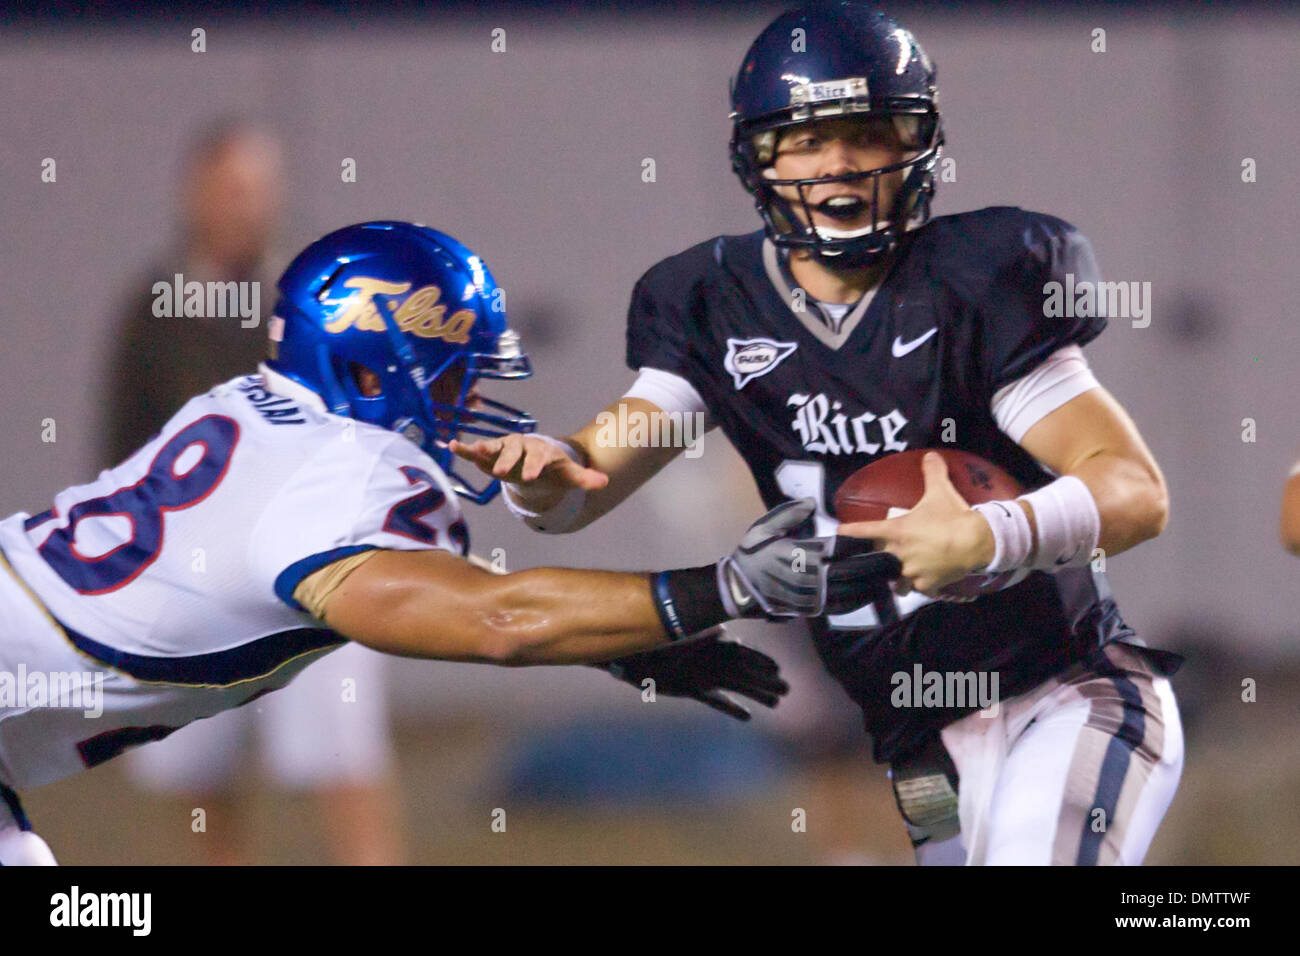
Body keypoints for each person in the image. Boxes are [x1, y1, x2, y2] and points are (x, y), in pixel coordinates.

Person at [453, 4, 1185, 865]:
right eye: (805, 142)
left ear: (915, 145)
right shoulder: (711, 302)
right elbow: (578, 489)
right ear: (757, 159)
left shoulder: (977, 282)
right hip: (917, 738)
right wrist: (542, 475)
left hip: (1066, 693)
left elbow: (1135, 490)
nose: (837, 163)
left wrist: (991, 535)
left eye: (866, 134)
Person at [0, 221, 892, 865]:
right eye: (452, 372)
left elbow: (447, 598)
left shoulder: (255, 408)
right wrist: (727, 589)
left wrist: (626, 651)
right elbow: (498, 619)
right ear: (361, 365)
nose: (467, 398)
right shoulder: (347, 477)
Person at [101, 119, 403, 866]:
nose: (246, 206)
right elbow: (121, 446)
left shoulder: (318, 301)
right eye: (232, 190)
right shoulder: (153, 309)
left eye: (258, 191)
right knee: (200, 782)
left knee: (345, 766)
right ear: (196, 194)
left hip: (314, 572)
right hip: (190, 585)